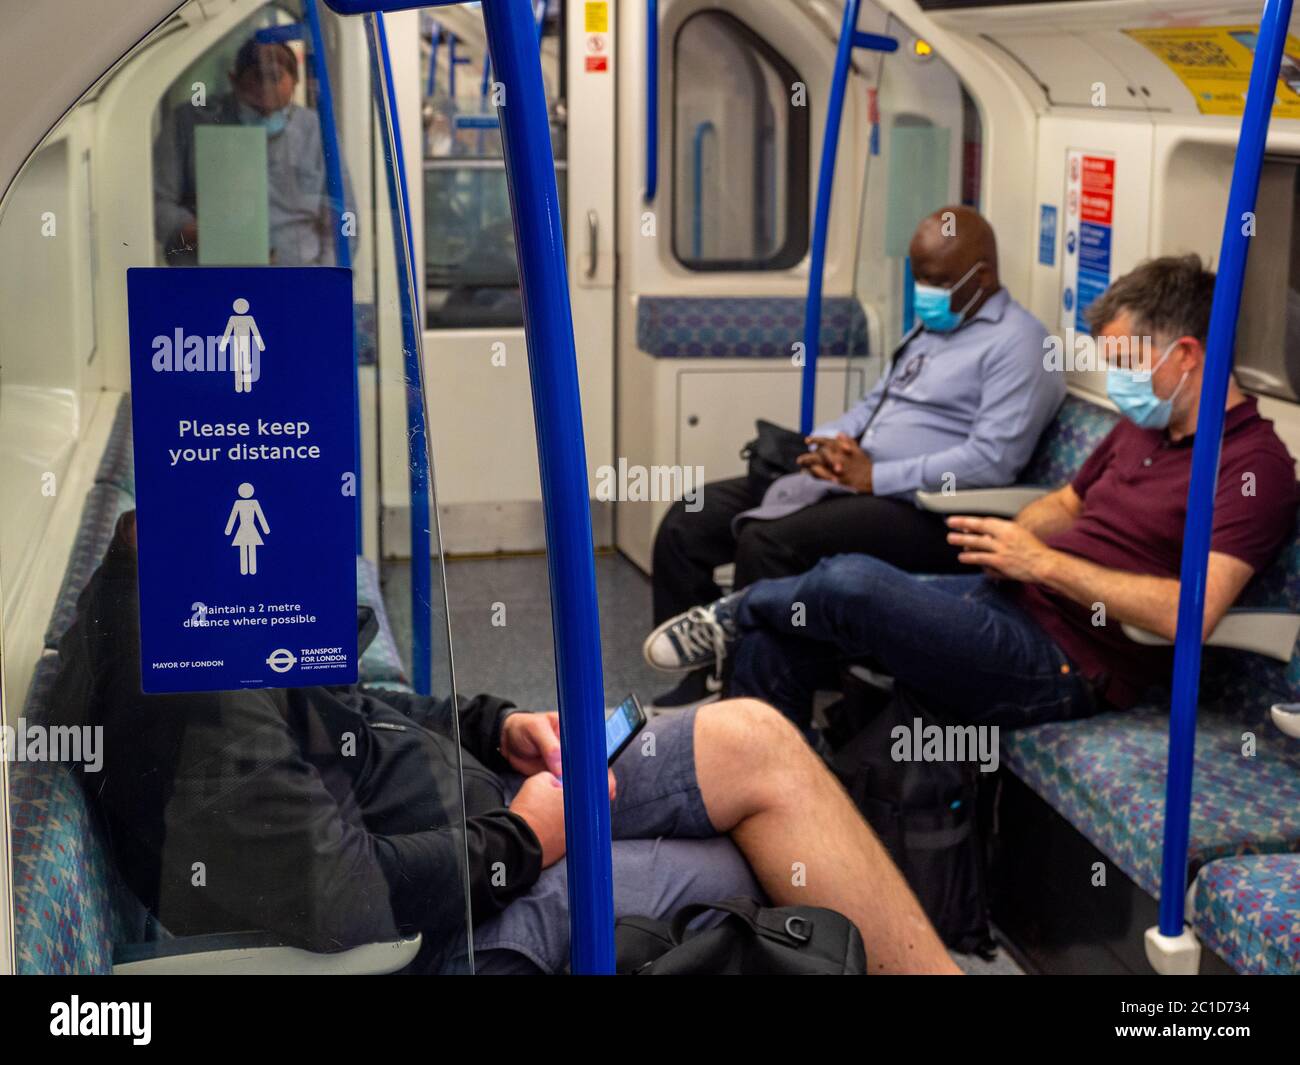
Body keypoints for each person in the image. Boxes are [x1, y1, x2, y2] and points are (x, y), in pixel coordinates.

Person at [50, 510, 960, 975]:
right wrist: (526, 840)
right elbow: (338, 894)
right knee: (734, 865)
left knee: (753, 738)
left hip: (486, 801)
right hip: (445, 925)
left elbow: (357, 716)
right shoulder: (188, 677)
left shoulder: (209, 581)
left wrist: (493, 724)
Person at [644, 255, 1298, 735]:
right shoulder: (1142, 427)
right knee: (779, 635)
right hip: (1004, 600)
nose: (1116, 379)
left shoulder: (1253, 467)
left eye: (1125, 361)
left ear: (1185, 355)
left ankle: (731, 611)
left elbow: (1192, 614)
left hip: (1067, 663)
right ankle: (757, 816)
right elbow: (1067, 504)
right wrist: (1010, 543)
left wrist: (1041, 563)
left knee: (855, 584)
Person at [650, 206, 1064, 707]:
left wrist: (876, 477)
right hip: (856, 478)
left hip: (931, 511)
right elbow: (877, 405)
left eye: (935, 280)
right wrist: (830, 444)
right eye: (918, 278)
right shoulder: (935, 328)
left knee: (768, 543)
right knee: (688, 521)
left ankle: (750, 709)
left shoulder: (1021, 345)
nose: (922, 293)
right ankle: (701, 681)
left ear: (983, 277)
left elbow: (991, 461)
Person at [153, 38, 350, 267]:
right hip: (209, 276)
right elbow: (156, 203)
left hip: (295, 277)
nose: (267, 91)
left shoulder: (317, 130)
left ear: (296, 81)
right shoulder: (189, 123)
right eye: (258, 76)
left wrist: (324, 281)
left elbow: (343, 215)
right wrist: (202, 231)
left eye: (275, 77)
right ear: (233, 80)